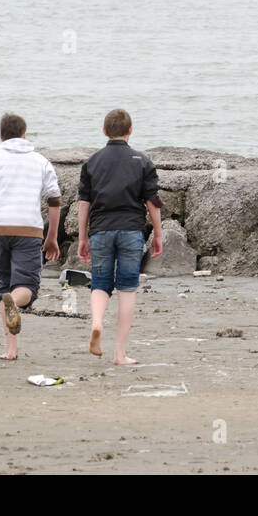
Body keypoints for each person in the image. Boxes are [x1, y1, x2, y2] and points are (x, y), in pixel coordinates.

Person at [0, 112, 61, 360]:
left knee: (5, 286)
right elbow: (54, 200)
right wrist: (52, 237)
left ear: (1, 136)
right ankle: (13, 302)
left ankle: (11, 350)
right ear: (24, 134)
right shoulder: (41, 161)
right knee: (26, 288)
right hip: (27, 231)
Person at [76, 108, 164, 366]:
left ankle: (96, 323)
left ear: (104, 131)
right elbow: (152, 202)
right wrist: (158, 234)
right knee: (126, 288)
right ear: (130, 130)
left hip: (101, 229)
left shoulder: (92, 162)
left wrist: (82, 237)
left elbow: (84, 204)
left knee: (100, 284)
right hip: (131, 230)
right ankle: (120, 354)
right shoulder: (142, 161)